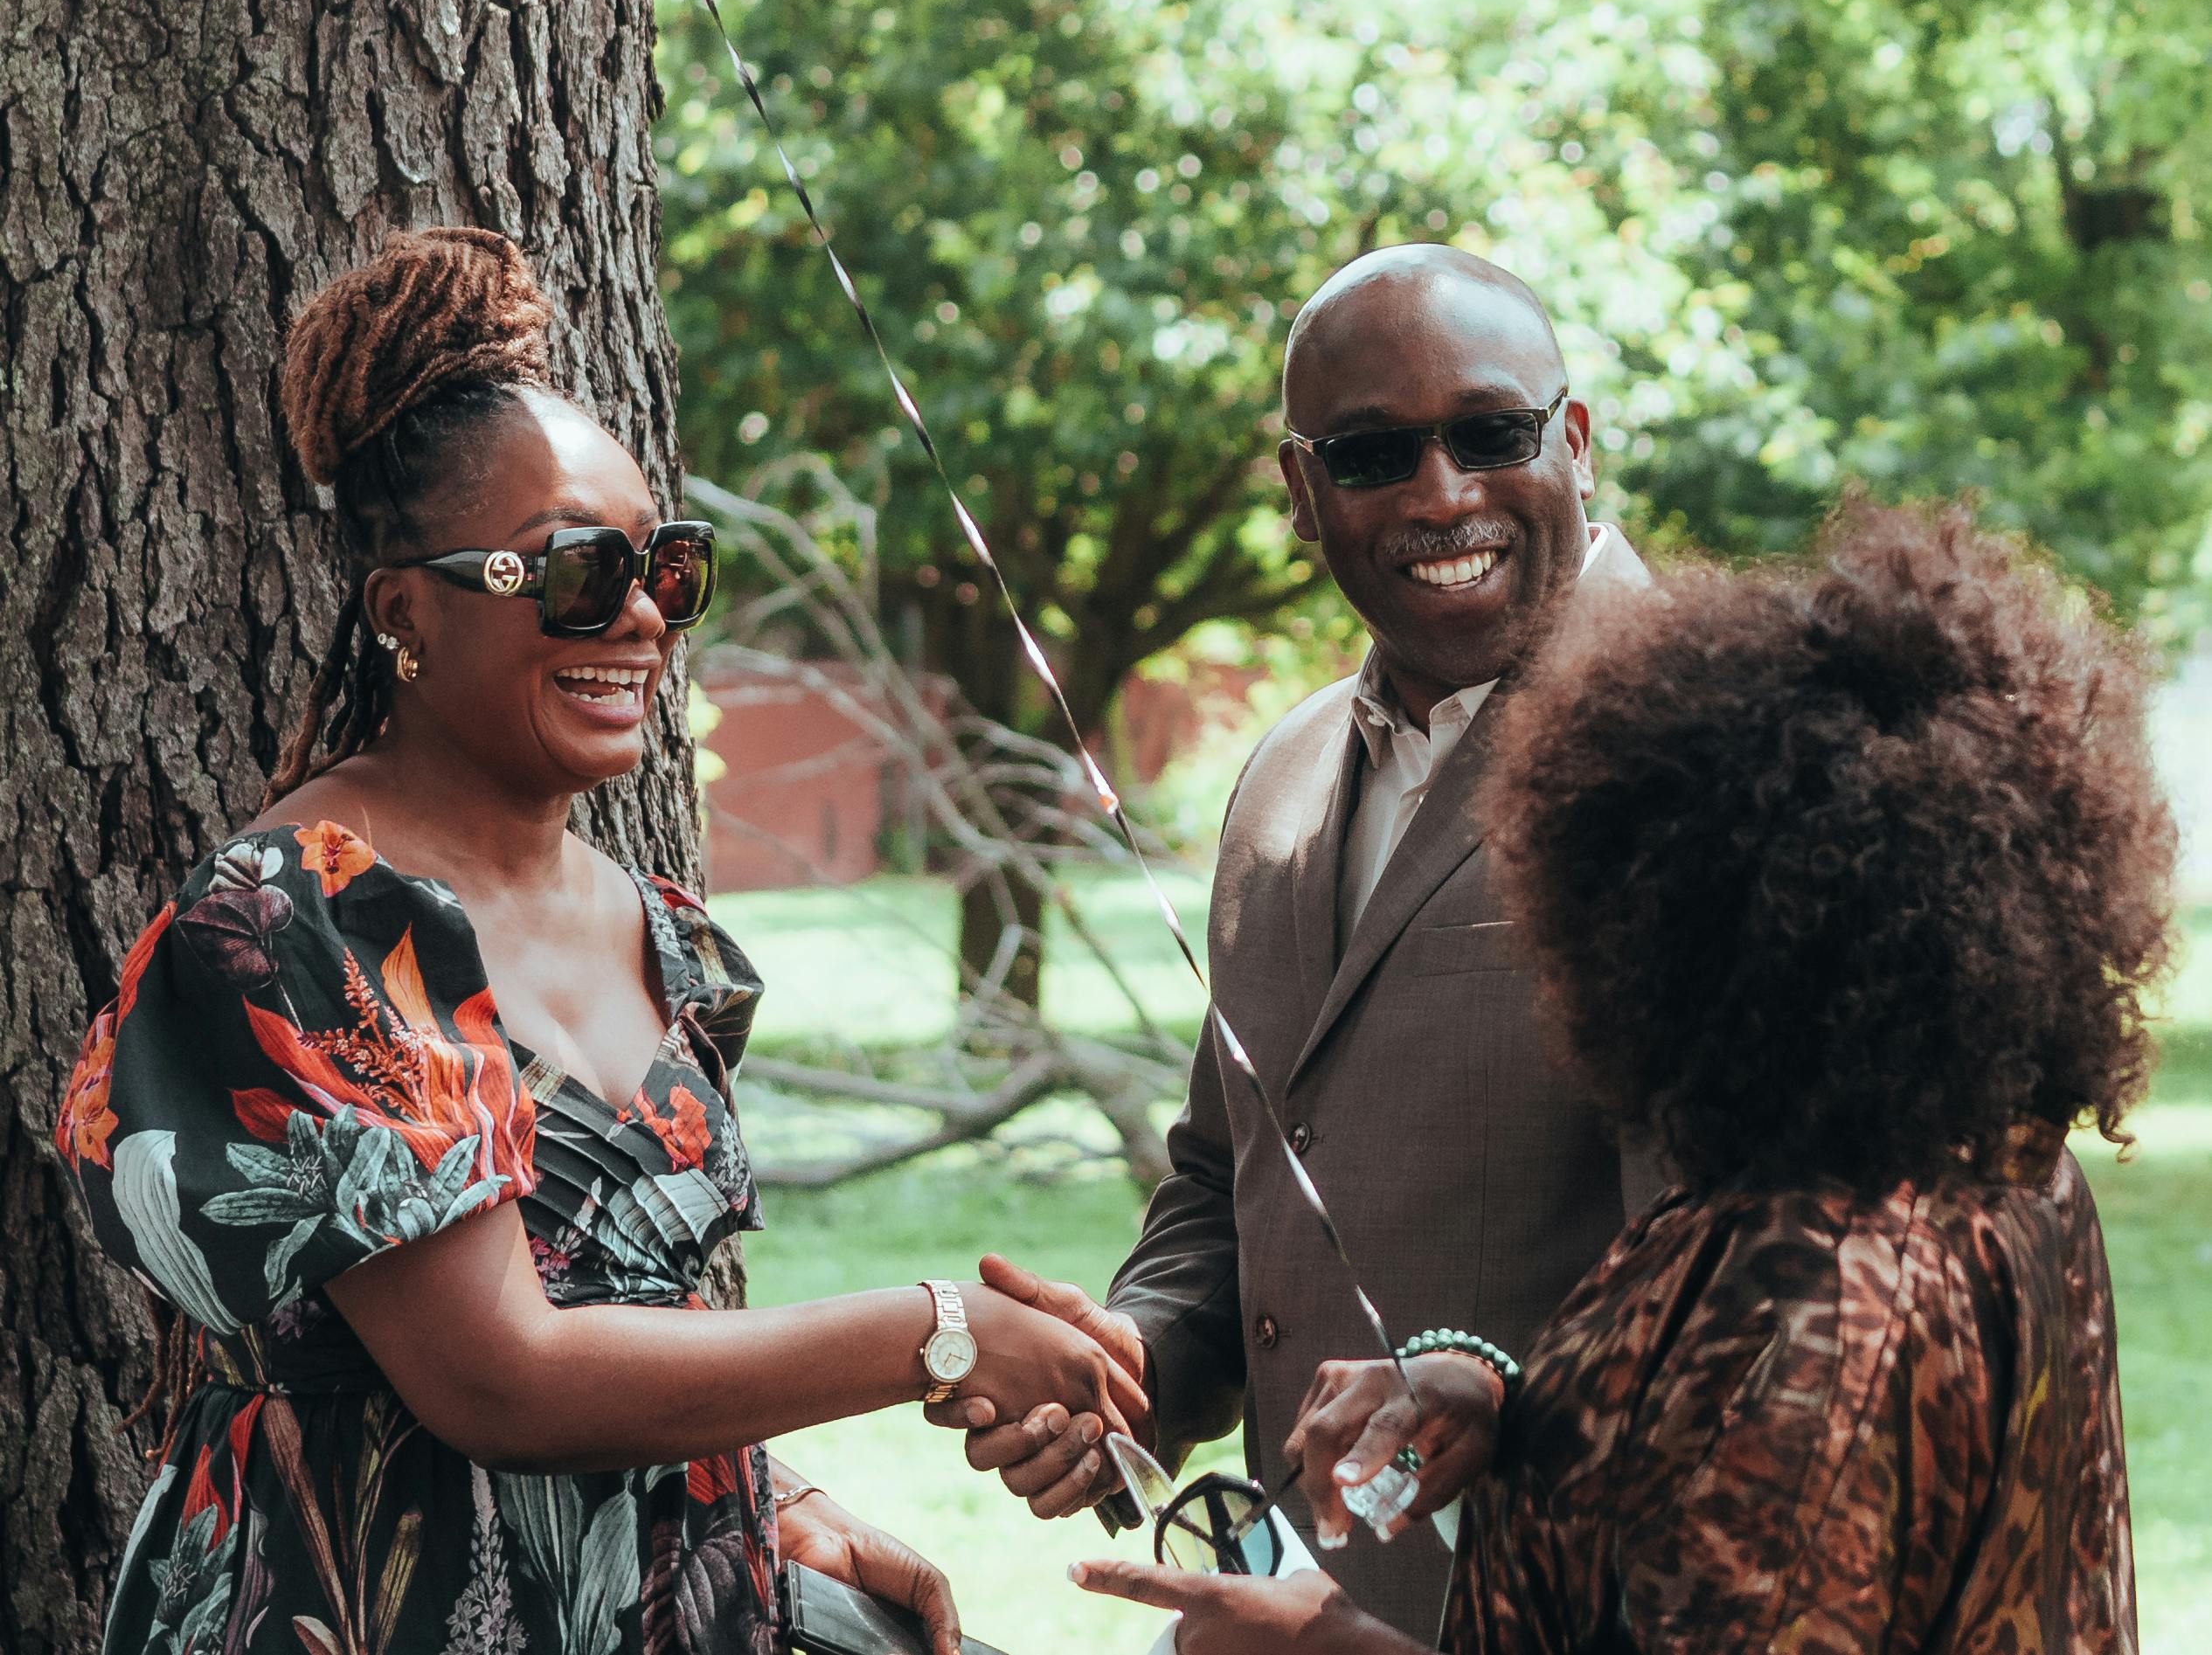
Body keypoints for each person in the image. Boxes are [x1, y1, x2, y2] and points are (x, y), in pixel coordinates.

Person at [50, 228, 1144, 1655]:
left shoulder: (660, 931)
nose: (638, 616)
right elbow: (500, 1375)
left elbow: (634, 1305)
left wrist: (778, 1491)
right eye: (574, 572)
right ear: (404, 614)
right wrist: (939, 1328)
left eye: (665, 569)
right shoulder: (291, 920)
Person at [1071, 502, 2168, 1653]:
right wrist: (1497, 1395)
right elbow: (1673, 1444)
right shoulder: (1965, 1181)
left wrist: (1335, 1643)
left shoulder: (1838, 1294)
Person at [936, 244, 1665, 1641]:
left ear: (1573, 440)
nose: (1441, 492)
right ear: (1301, 492)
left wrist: (1495, 1389)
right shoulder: (1283, 770)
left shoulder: (1711, 745)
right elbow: (1232, 1171)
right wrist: (1131, 1362)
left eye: (1491, 433)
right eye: (1374, 452)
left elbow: (1758, 1293)